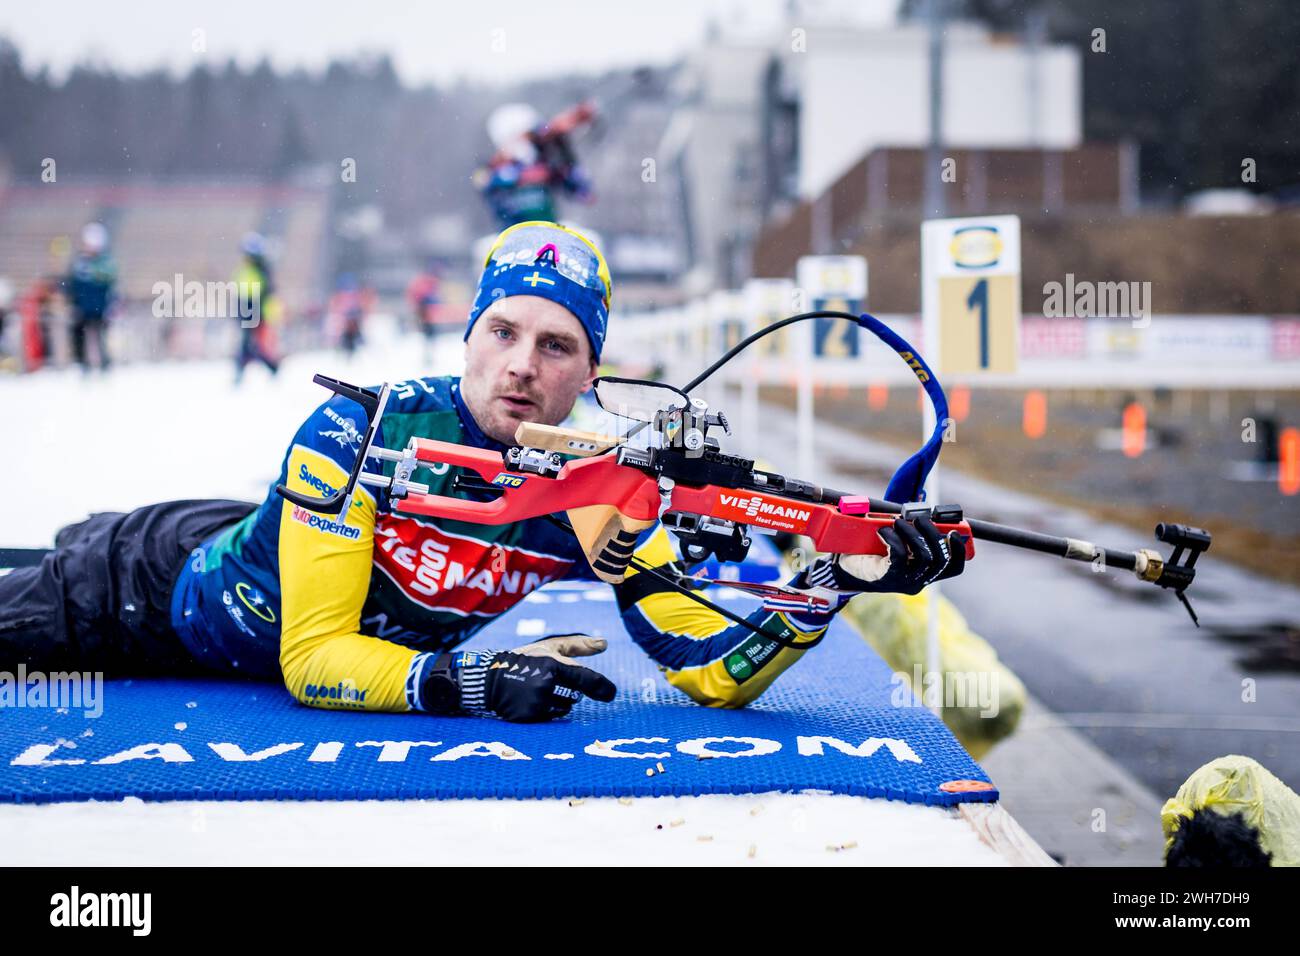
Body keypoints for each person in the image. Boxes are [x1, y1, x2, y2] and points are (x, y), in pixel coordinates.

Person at [0, 221, 966, 723]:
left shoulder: (599, 489)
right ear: (469, 335)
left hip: (249, 562)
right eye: (502, 332)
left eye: (556, 345)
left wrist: (833, 582)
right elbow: (313, 659)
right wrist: (467, 682)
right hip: (136, 592)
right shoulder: (360, 431)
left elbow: (709, 673)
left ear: (592, 372)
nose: (521, 365)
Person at [64, 223, 117, 373]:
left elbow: (108, 285)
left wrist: (108, 305)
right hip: (83, 308)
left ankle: (105, 366)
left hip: (99, 308)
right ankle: (82, 365)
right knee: (79, 337)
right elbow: (73, 285)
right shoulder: (79, 262)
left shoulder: (105, 262)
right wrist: (74, 302)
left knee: (101, 338)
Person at [233, 232, 281, 384]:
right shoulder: (247, 271)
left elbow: (264, 296)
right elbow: (239, 294)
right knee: (249, 345)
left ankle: (271, 367)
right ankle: (269, 367)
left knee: (252, 346)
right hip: (248, 312)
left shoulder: (261, 271)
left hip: (255, 313)